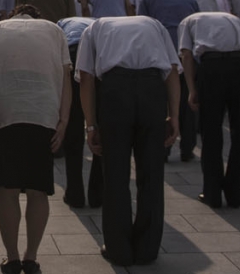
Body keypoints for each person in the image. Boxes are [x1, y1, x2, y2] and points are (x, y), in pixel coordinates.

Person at [0, 4, 72, 274]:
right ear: (38, 17)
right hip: (43, 111)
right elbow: (65, 76)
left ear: (12, 15)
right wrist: (63, 121)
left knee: (8, 188)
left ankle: (12, 258)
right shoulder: (54, 30)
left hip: (4, 111)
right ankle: (31, 258)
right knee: (38, 190)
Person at [76, 14, 179, 266]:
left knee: (115, 174)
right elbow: (171, 71)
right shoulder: (154, 24)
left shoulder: (95, 27)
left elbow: (86, 77)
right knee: (152, 173)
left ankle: (118, 249)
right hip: (152, 89)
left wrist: (91, 125)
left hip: (115, 91)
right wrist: (174, 116)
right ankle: (147, 248)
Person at [179, 11, 240, 210]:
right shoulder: (234, 19)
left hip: (211, 67)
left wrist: (192, 89)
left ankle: (212, 193)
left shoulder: (188, 21)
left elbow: (186, 55)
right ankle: (235, 194)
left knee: (211, 131)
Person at [136, 0, 200, 161]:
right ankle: (187, 149)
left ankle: (164, 148)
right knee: (187, 101)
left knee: (164, 102)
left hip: (162, 52)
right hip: (186, 51)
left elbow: (142, 25)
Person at [56, 16, 102, 209]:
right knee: (99, 126)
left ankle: (74, 193)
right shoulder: (98, 23)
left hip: (72, 54)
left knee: (73, 131)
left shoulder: (61, 24)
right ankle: (97, 194)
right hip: (97, 58)